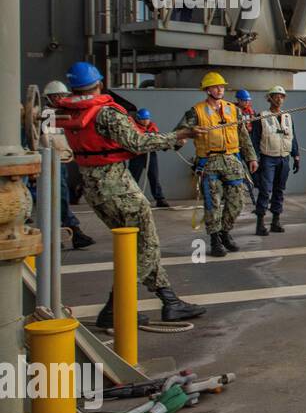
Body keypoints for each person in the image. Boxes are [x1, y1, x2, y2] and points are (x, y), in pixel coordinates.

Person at [55, 62, 206, 327]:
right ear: (99, 83)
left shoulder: (68, 114)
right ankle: (115, 307)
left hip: (95, 190)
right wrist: (178, 135)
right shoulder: (107, 113)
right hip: (119, 188)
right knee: (146, 247)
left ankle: (170, 301)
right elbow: (138, 142)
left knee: (135, 246)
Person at [175, 71, 257, 258]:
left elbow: (243, 135)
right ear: (207, 90)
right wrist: (183, 138)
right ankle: (214, 239)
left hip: (232, 160)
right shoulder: (196, 111)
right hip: (209, 162)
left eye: (222, 87)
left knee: (237, 201)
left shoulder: (233, 110)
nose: (220, 89)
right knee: (213, 204)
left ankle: (225, 231)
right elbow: (179, 132)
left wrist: (251, 157)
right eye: (216, 87)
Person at [32, 80, 95, 249]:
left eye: (63, 95)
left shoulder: (63, 113)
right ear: (49, 97)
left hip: (60, 160)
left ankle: (61, 234)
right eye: (57, 96)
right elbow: (44, 138)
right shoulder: (46, 114)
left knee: (57, 198)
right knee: (57, 197)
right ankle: (72, 231)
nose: (61, 98)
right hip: (50, 161)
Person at [251, 85, 298, 236]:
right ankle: (260, 224)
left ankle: (275, 221)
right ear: (269, 98)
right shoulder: (261, 117)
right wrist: (255, 159)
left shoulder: (287, 117)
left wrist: (296, 156)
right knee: (265, 190)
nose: (279, 98)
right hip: (267, 158)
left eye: (281, 96)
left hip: (284, 158)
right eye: (276, 96)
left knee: (279, 190)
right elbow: (255, 139)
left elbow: (293, 137)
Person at [127, 108, 168, 207]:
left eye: (147, 119)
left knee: (154, 177)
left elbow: (159, 139)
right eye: (143, 119)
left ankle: (160, 199)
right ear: (137, 119)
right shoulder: (132, 127)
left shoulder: (152, 127)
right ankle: (131, 199)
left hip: (151, 154)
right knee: (133, 178)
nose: (145, 121)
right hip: (137, 155)